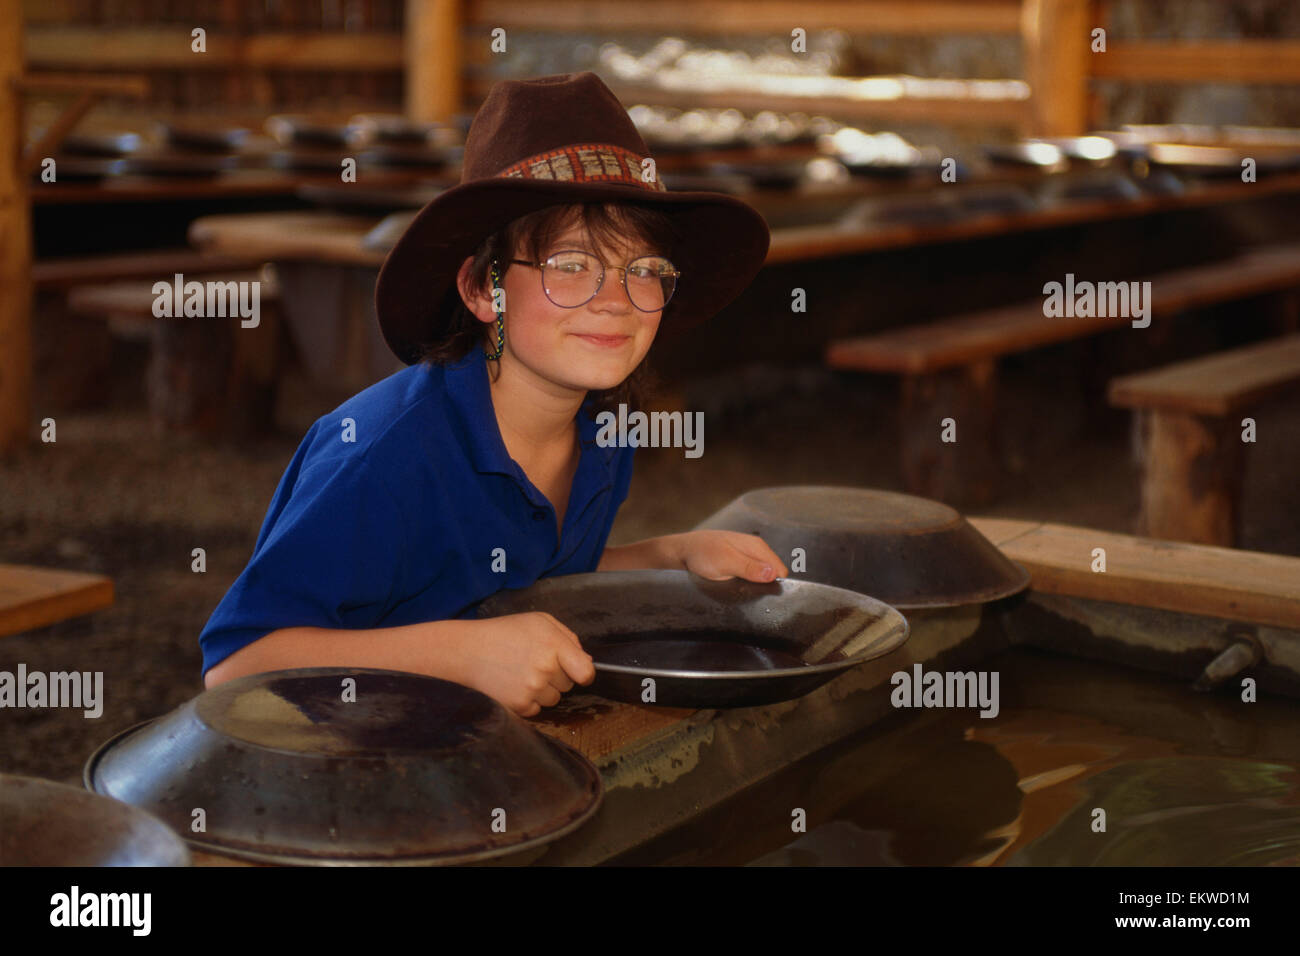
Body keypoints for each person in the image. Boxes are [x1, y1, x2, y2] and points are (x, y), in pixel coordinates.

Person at [199, 72, 787, 715]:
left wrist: (669, 555)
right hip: (352, 770)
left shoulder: (601, 425)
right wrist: (462, 655)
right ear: (484, 290)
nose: (616, 302)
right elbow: (238, 663)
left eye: (643, 271)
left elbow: (524, 578)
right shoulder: (381, 458)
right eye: (570, 265)